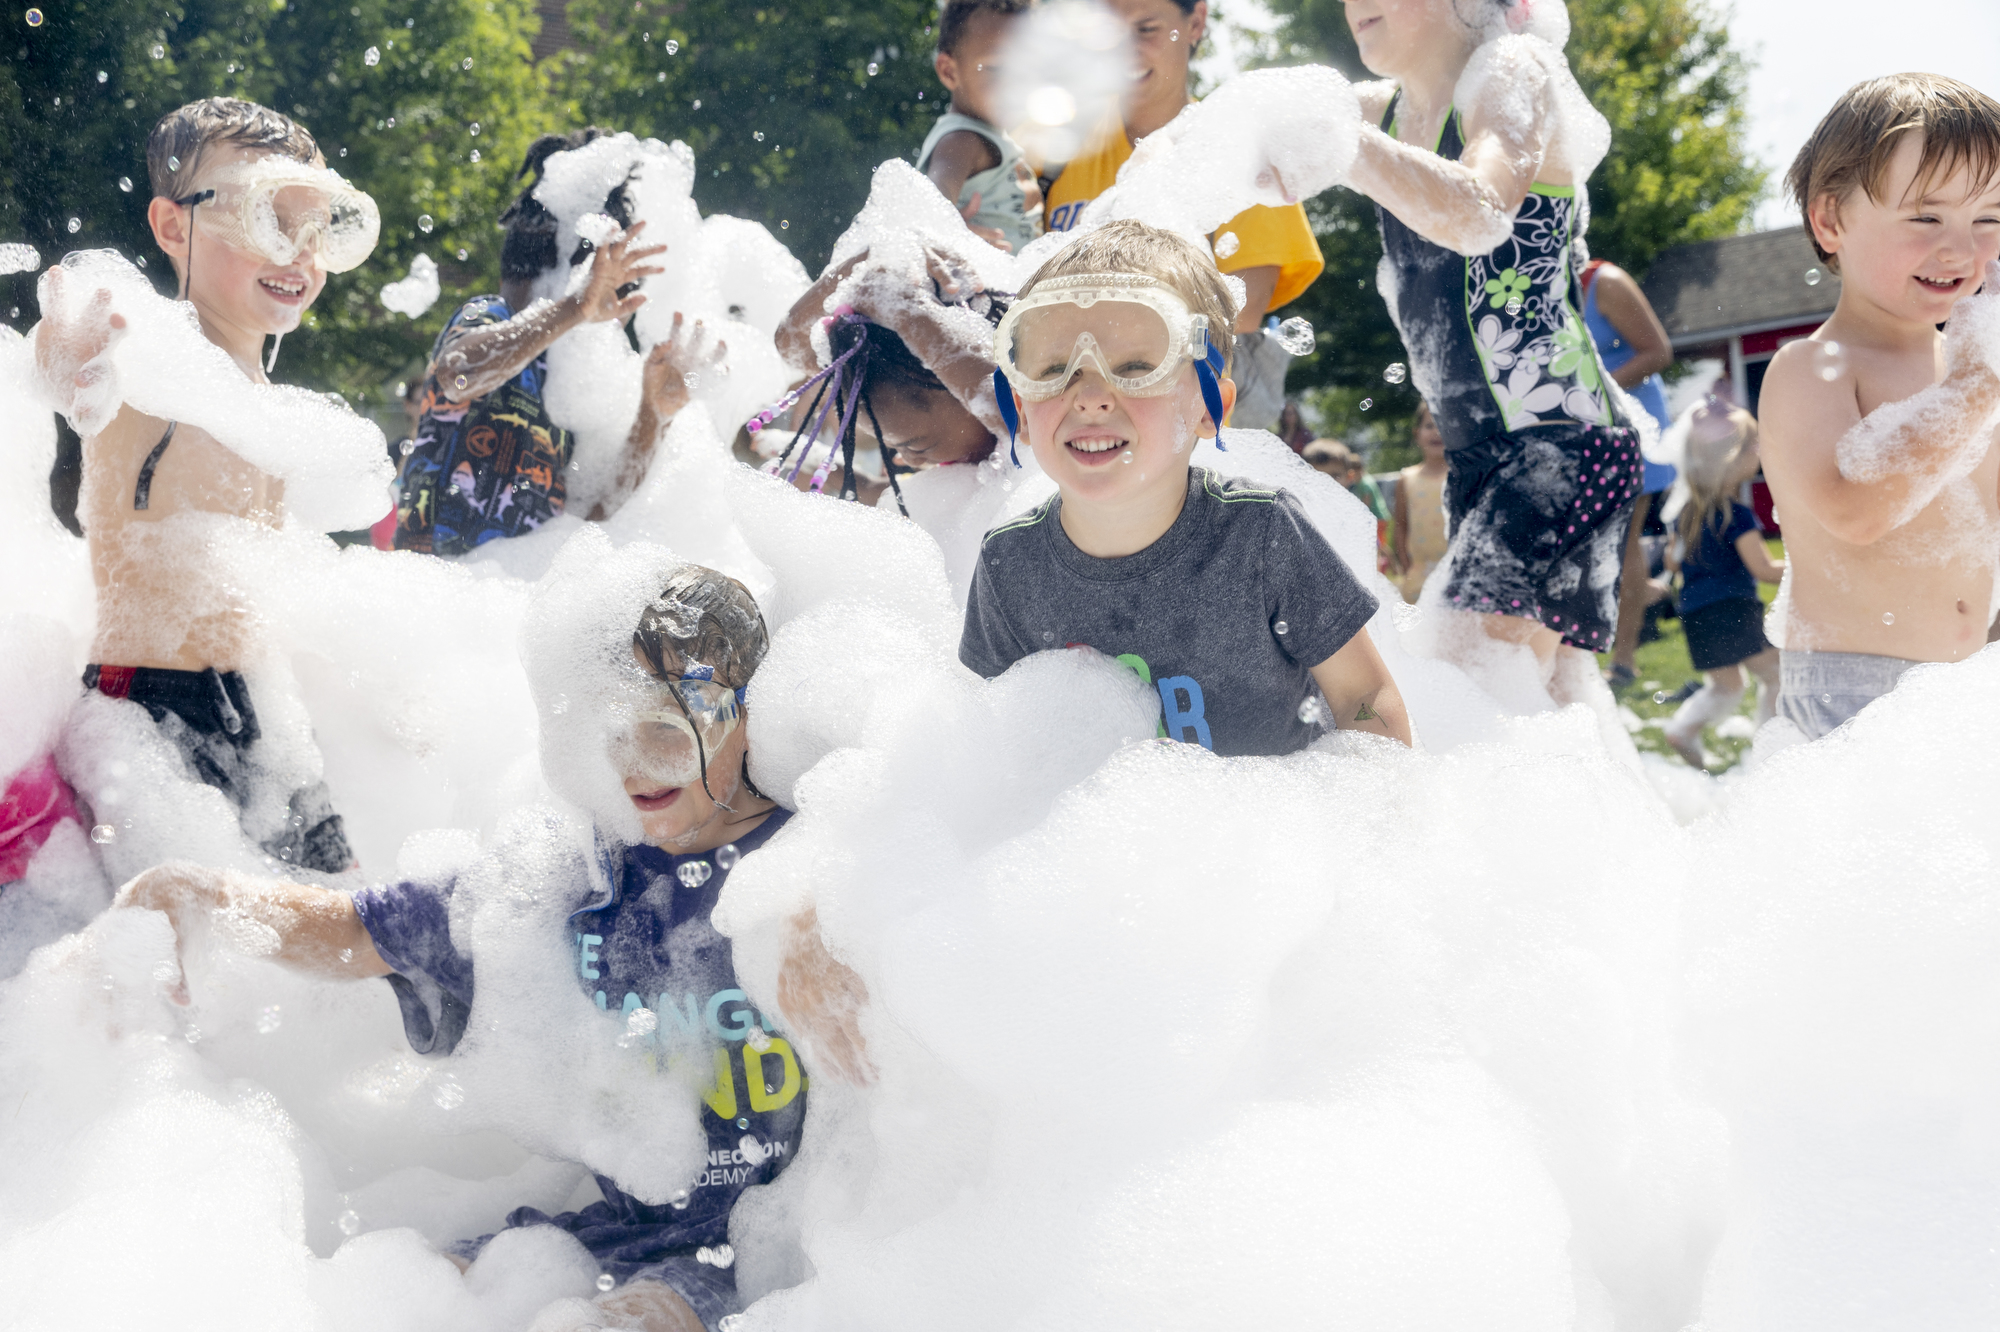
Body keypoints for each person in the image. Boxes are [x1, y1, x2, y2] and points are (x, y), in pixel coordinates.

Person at [113, 559, 870, 1332]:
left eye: (666, 729)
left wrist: (810, 910)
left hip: (776, 1257)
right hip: (611, 1237)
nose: (633, 761)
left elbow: (923, 879)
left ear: (748, 715)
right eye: (607, 729)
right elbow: (357, 932)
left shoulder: (813, 853)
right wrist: (209, 898)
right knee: (391, 1299)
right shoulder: (571, 875)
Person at [30, 97, 377, 873]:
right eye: (265, 218)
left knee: (349, 930)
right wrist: (67, 357)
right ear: (173, 225)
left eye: (316, 224)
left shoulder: (272, 405)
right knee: (191, 944)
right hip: (152, 714)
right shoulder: (148, 348)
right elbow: (62, 369)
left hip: (268, 716)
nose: (297, 252)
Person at [960, 220, 1412, 752]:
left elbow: (1364, 692)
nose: (1090, 397)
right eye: (1056, 369)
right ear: (1022, 411)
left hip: (1277, 821)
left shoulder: (1261, 534)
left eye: (1135, 367)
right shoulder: (1009, 564)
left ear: (1209, 407)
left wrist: (1380, 805)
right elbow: (990, 739)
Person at [1341, 0, 1644, 702]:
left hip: (1559, 440)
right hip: (1483, 452)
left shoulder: (1512, 68)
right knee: (1546, 709)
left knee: (1459, 693)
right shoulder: (1376, 109)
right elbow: (1243, 134)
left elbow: (1480, 208)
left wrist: (1340, 144)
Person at [1758, 74, 2000, 742]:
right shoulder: (1808, 368)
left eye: (1989, 219)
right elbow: (1854, 510)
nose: (1961, 247)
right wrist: (1979, 386)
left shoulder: (1972, 372)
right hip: (1852, 699)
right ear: (1830, 219)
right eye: (1926, 216)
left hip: (1966, 690)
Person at [392, 129, 724, 557]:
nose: (615, 311)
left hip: (515, 599)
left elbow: (593, 513)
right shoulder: (489, 317)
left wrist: (653, 415)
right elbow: (457, 376)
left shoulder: (579, 378)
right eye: (611, 288)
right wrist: (574, 308)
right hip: (435, 594)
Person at [1039, 0, 1324, 339]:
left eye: (1146, 29)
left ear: (1196, 22)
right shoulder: (1051, 147)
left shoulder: (1245, 154)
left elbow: (1242, 313)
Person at [1659, 399, 1784, 768]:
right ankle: (1772, 750)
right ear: (1732, 458)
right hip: (1732, 607)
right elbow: (1762, 569)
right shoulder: (1737, 515)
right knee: (1776, 674)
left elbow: (1671, 561)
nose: (1760, 451)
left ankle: (1683, 729)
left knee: (1727, 686)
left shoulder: (1685, 515)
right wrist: (1808, 567)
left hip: (1696, 612)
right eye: (1754, 444)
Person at [1581, 257, 1677, 689]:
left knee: (1623, 544)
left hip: (1631, 427)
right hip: (1582, 432)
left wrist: (1590, 395)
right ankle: (1652, 594)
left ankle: (1623, 660)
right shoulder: (1534, 288)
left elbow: (1657, 351)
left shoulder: (1606, 282)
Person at [917, 0, 1044, 255]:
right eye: (997, 68)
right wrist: (946, 236)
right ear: (949, 71)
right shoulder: (960, 141)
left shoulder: (991, 135)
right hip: (980, 289)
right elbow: (927, 211)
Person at [1304, 437, 1392, 573]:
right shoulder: (1304, 513)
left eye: (1335, 475)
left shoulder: (1356, 515)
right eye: (1319, 475)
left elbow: (1372, 554)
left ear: (1350, 477)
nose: (1326, 482)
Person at [1391, 402, 1449, 603]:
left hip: (1454, 575)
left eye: (1443, 425)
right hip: (1419, 576)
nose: (1437, 432)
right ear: (1417, 433)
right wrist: (1407, 567)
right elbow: (1400, 526)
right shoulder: (1407, 479)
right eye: (1429, 426)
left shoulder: (1461, 477)